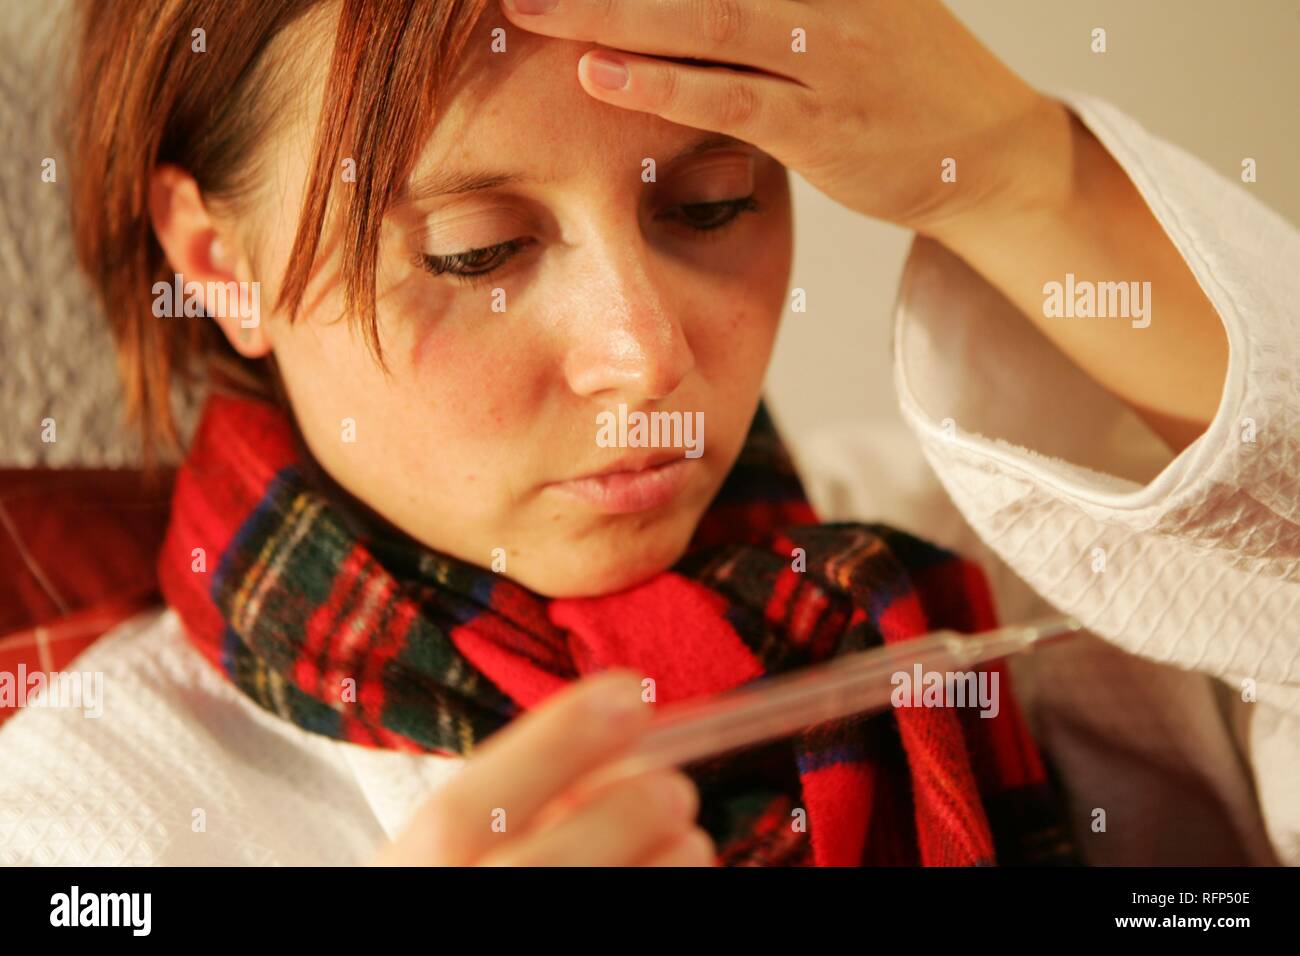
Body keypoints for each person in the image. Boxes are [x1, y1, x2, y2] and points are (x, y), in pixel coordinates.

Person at [0, 0, 1294, 866]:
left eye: (714, 207)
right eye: (479, 251)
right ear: (217, 262)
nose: (644, 355)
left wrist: (1029, 172)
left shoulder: (997, 564)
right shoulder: (82, 822)